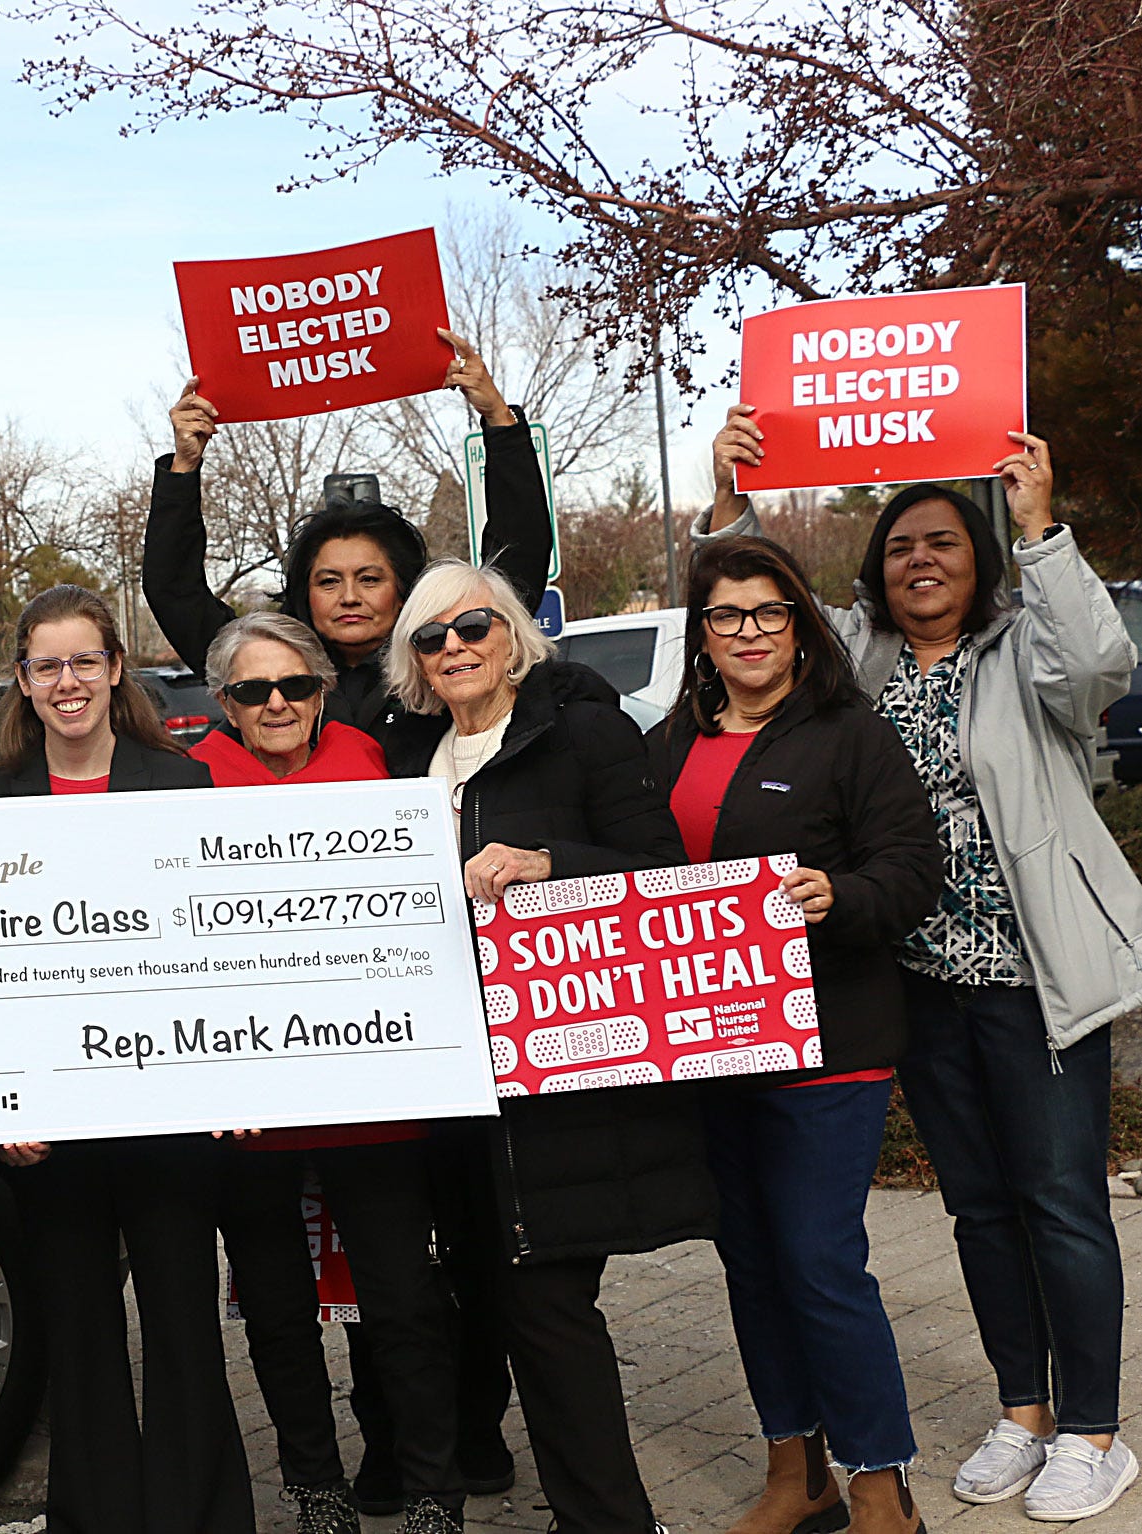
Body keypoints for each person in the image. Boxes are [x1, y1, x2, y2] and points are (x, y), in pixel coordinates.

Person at [705, 418, 1142, 1521]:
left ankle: (1094, 1431)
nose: (921, 560)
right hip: (917, 981)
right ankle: (1023, 1410)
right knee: (979, 1207)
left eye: (943, 541)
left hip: (1033, 976)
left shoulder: (1025, 649)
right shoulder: (860, 662)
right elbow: (755, 611)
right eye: (900, 546)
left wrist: (1040, 528)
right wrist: (733, 502)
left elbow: (1101, 664)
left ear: (977, 558)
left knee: (1060, 1200)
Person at [383, 560, 713, 1534]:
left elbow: (661, 873)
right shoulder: (410, 759)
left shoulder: (584, 735)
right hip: (447, 1075)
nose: (454, 647)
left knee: (547, 1306)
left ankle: (612, 1519)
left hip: (554, 1073)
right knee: (491, 1299)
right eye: (431, 637)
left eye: (473, 626)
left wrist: (548, 864)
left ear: (513, 633)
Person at [647, 538, 940, 1534]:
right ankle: (796, 1471)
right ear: (701, 634)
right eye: (725, 615)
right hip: (707, 1047)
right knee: (753, 1263)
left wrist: (839, 895)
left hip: (828, 1048)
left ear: (800, 623)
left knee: (818, 1262)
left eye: (768, 611)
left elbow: (911, 870)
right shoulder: (670, 742)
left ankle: (880, 1483)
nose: (748, 632)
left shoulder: (851, 735)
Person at [0, 584, 243, 1534]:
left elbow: (214, 948)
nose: (67, 681)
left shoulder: (179, 784)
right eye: (47, 665)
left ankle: (199, 1517)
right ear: (22, 680)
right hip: (51, 1129)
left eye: (85, 661)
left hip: (168, 1113)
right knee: (78, 1335)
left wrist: (233, 1077)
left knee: (182, 1327)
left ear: (116, 669)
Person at [189, 612, 463, 1534]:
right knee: (275, 1312)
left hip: (373, 1089)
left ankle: (432, 1492)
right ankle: (314, 1487)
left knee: (403, 1303)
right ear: (223, 702)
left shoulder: (376, 762)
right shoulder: (186, 782)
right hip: (249, 1105)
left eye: (295, 685)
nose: (276, 703)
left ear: (322, 690)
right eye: (252, 690)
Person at [144, 331, 553, 745]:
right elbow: (173, 591)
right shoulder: (265, 665)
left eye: (370, 579)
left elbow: (518, 556)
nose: (350, 597)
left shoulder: (447, 652)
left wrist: (499, 420)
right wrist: (183, 468)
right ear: (305, 593)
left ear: (403, 590)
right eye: (329, 581)